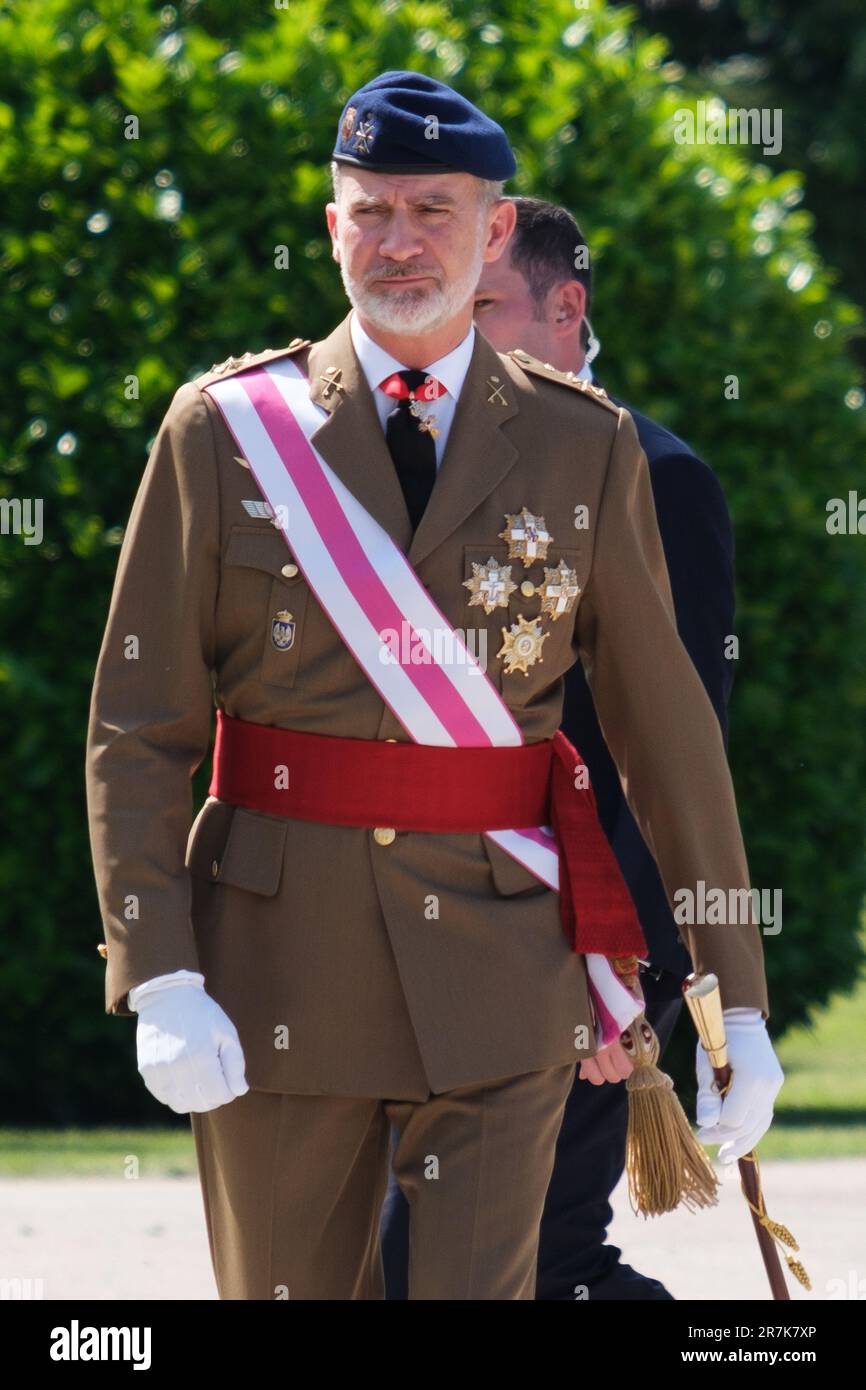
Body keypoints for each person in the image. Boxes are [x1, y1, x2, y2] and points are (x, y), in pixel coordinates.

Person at [85, 71, 780, 1301]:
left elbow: (666, 742)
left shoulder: (586, 444)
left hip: (500, 960)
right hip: (273, 962)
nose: (399, 242)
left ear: (494, 228)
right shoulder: (223, 431)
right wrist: (161, 967)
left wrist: (736, 995)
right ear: (331, 221)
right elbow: (138, 726)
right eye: (371, 210)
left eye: (433, 210)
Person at [380, 195, 774, 1300]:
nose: (459, 337)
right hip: (438, 946)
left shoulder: (655, 477)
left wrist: (624, 977)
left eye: (488, 307)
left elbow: (671, 766)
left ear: (568, 311)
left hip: (580, 956)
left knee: (518, 1260)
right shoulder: (429, 477)